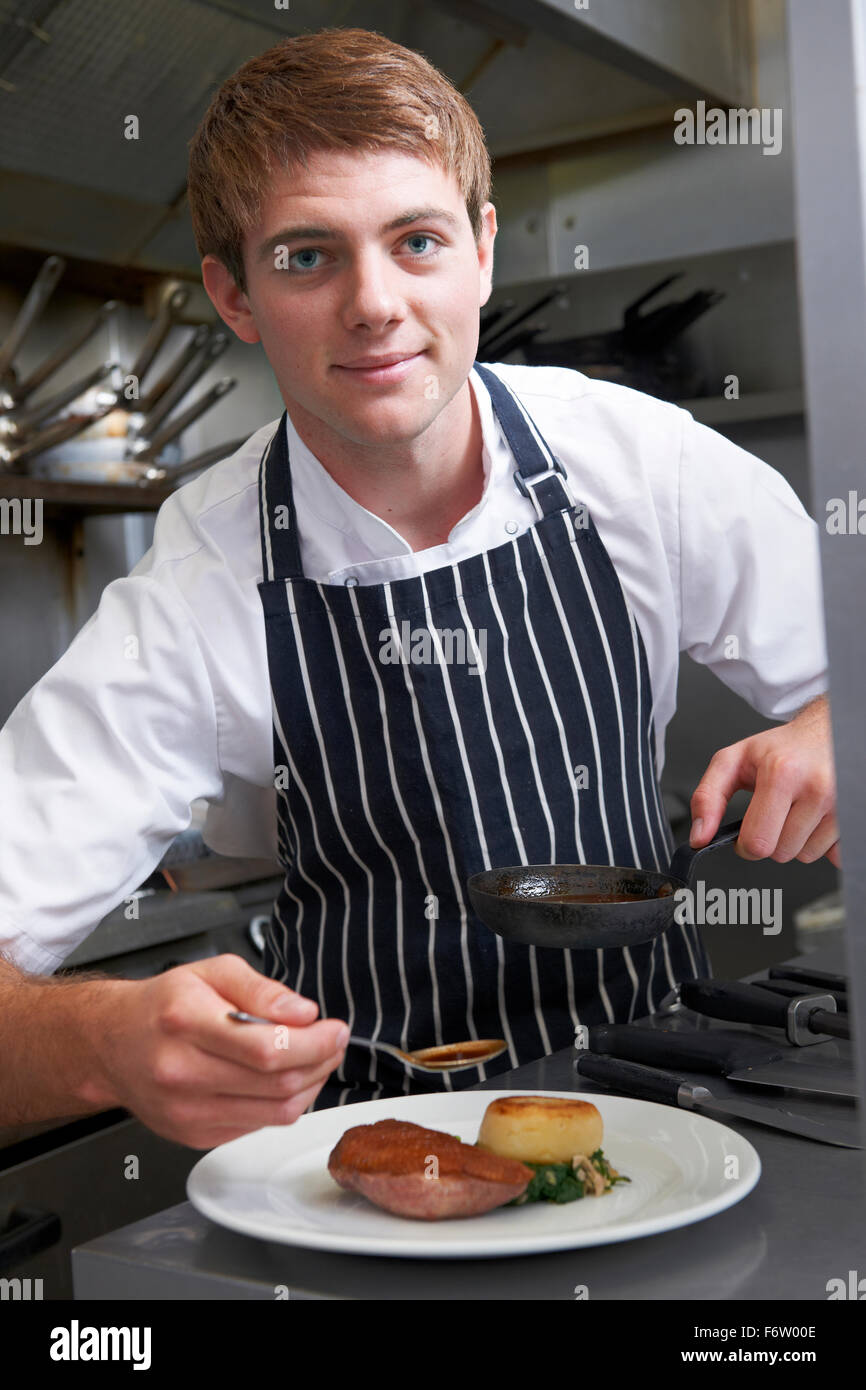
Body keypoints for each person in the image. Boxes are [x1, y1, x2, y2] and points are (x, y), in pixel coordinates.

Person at [0, 30, 837, 1144]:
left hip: (660, 1122)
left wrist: (840, 728)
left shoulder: (646, 467)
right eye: (306, 256)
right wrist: (101, 1037)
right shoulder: (203, 572)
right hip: (365, 1166)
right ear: (234, 296)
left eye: (416, 240)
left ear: (481, 252)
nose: (374, 303)